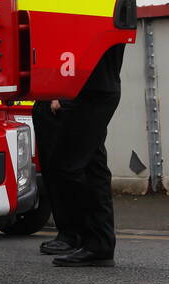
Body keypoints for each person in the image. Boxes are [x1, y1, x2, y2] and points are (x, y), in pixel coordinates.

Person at [33, 43, 126, 267]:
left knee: (68, 167)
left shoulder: (89, 10)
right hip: (95, 89)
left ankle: (88, 239)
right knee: (92, 168)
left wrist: (62, 95)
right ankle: (97, 244)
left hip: (87, 92)